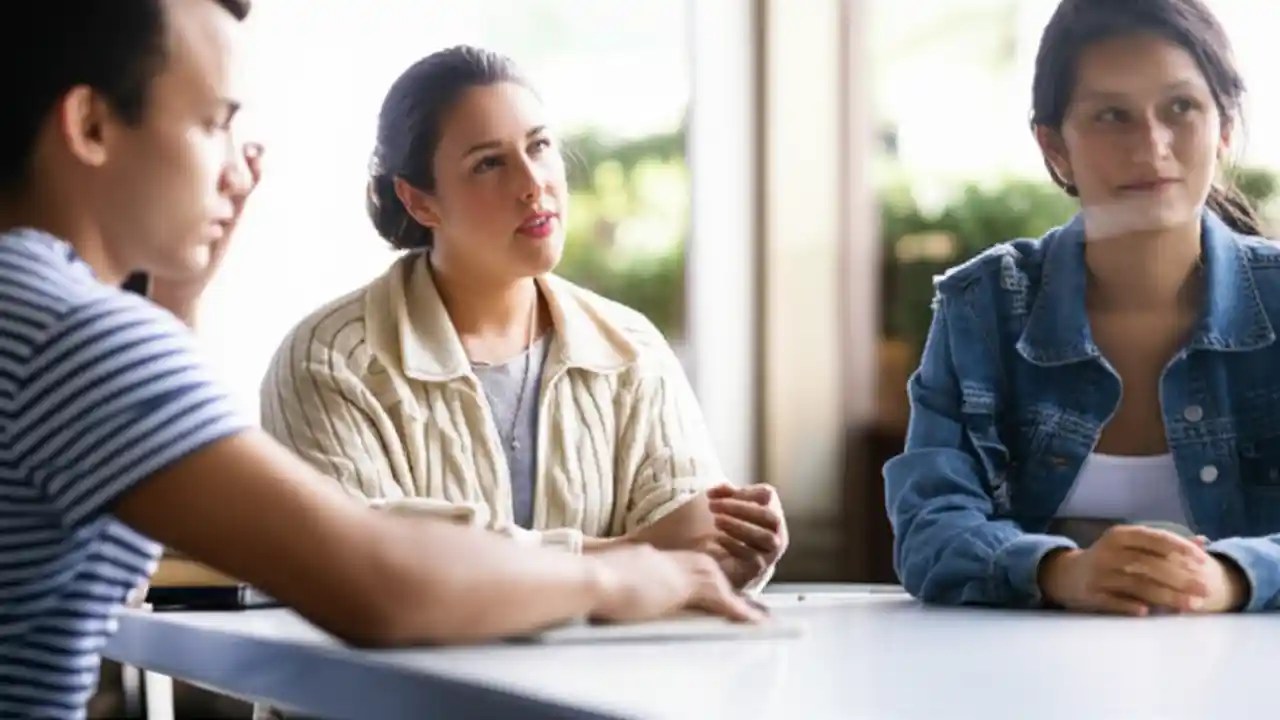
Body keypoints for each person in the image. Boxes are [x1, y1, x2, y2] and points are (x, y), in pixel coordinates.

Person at [0, 2, 762, 715]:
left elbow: (111, 559)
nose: (237, 171)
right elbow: (379, 585)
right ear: (91, 125)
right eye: (212, 124)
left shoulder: (35, 313)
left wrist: (173, 302)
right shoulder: (66, 333)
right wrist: (618, 575)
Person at [260, 46, 788, 591]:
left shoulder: (631, 349)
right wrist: (628, 556)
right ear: (419, 202)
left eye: (539, 146)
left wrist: (736, 551)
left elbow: (692, 548)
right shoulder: (329, 361)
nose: (533, 183)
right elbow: (364, 560)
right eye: (488, 163)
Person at [884, 0, 1280, 616]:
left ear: (1224, 128)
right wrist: (1059, 572)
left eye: (1180, 107)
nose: (1152, 145)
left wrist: (1231, 578)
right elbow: (929, 526)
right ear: (1054, 148)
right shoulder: (983, 308)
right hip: (1021, 670)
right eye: (1111, 115)